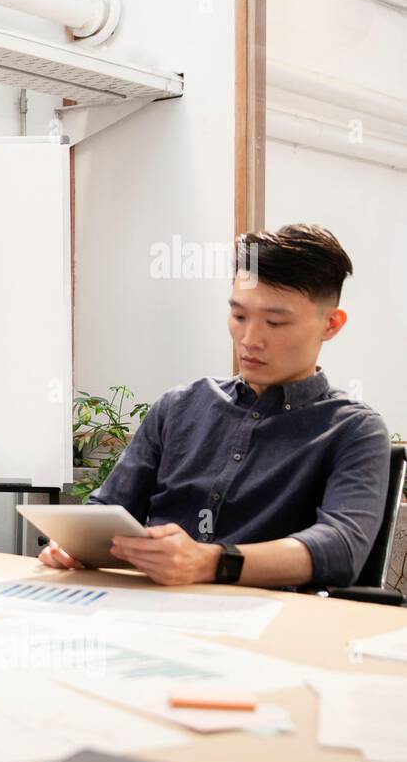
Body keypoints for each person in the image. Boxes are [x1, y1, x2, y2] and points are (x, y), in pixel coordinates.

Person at [41, 224, 390, 589]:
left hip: (269, 628)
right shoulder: (178, 407)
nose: (250, 340)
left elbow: (341, 549)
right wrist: (73, 545)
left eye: (275, 322)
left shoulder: (353, 429)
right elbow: (109, 513)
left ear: (331, 324)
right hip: (148, 610)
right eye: (239, 316)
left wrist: (213, 563)